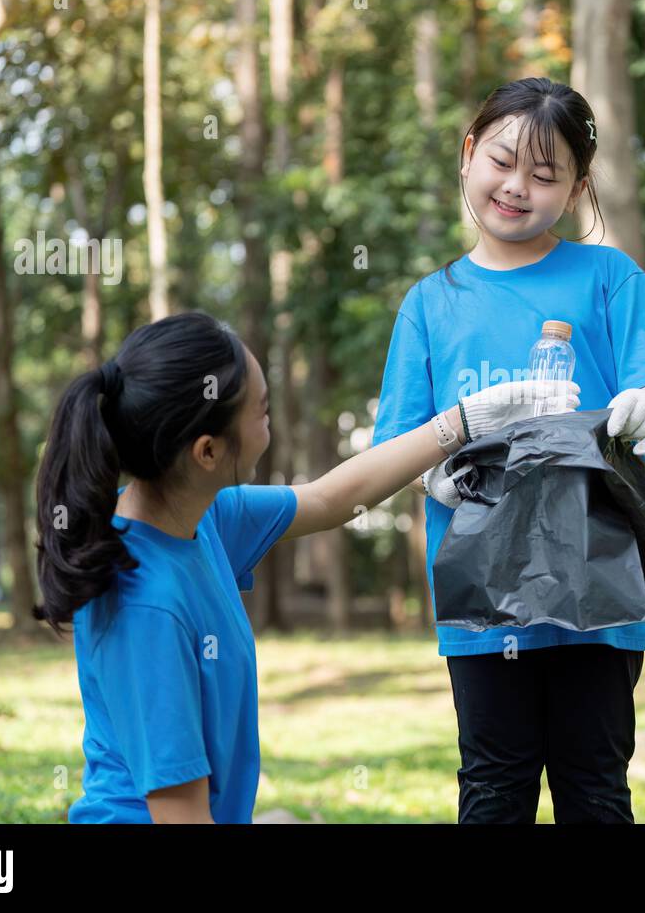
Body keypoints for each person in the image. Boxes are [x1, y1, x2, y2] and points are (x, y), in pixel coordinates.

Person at [34, 311, 577, 822]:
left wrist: (461, 423)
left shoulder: (203, 517)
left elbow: (331, 499)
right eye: (262, 410)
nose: (271, 415)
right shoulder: (147, 606)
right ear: (207, 452)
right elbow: (180, 814)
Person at [371, 77, 645, 823]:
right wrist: (435, 478)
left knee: (594, 782)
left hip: (598, 584)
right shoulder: (430, 302)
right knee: (493, 784)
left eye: (545, 176)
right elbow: (397, 442)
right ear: (468, 153)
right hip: (482, 592)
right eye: (504, 161)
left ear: (578, 187)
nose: (517, 187)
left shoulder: (610, 278)